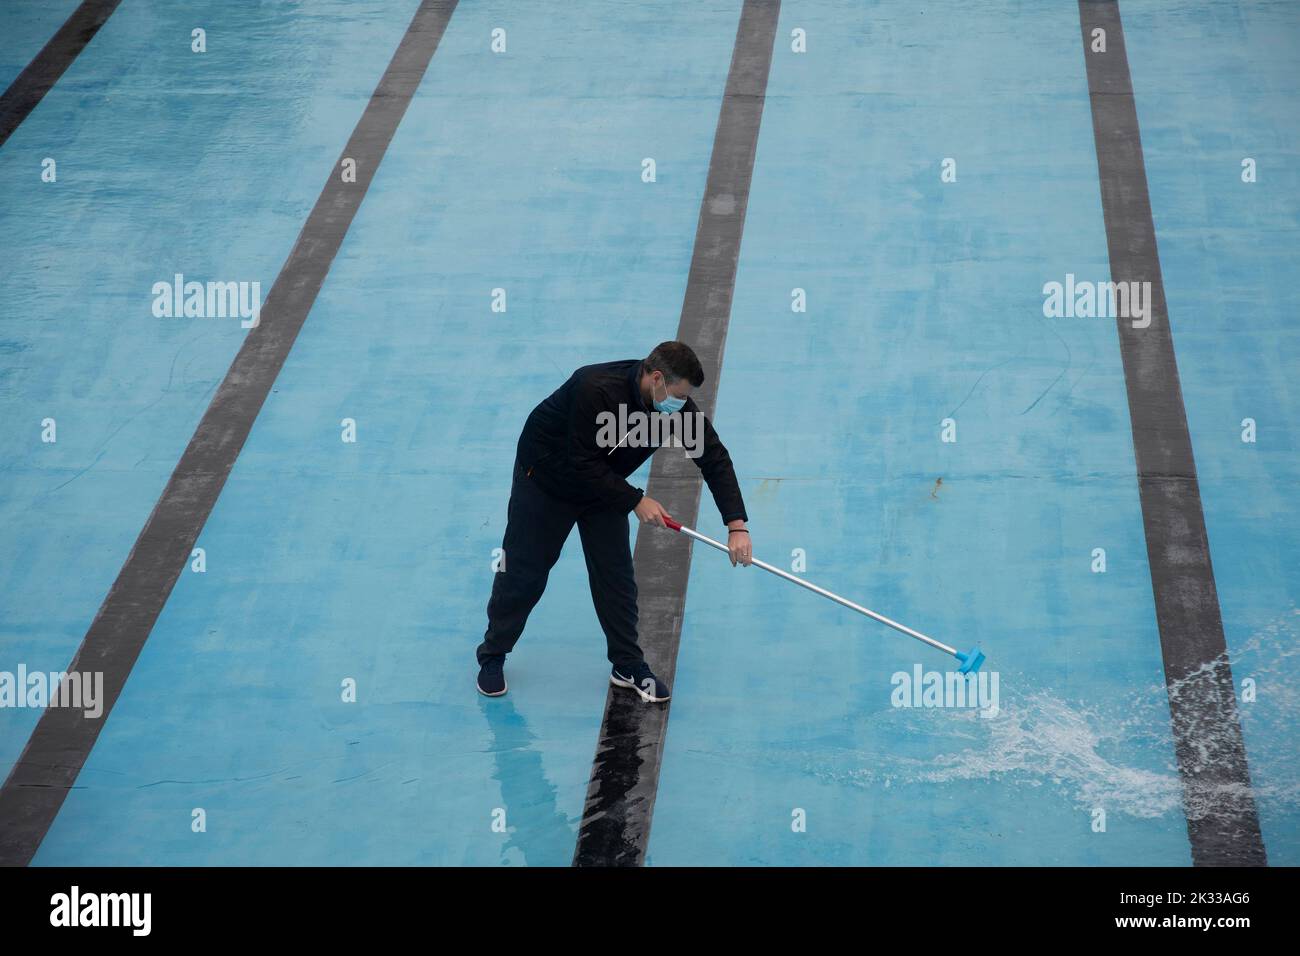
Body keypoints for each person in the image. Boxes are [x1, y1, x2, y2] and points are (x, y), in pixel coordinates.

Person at [475, 341, 752, 702]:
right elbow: (581, 462)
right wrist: (635, 499)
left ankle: (628, 665)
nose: (682, 405)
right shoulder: (595, 388)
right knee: (524, 573)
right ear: (657, 379)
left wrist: (737, 525)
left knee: (616, 580)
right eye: (679, 395)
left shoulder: (673, 408)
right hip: (546, 480)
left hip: (604, 488)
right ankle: (493, 655)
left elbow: (713, 458)